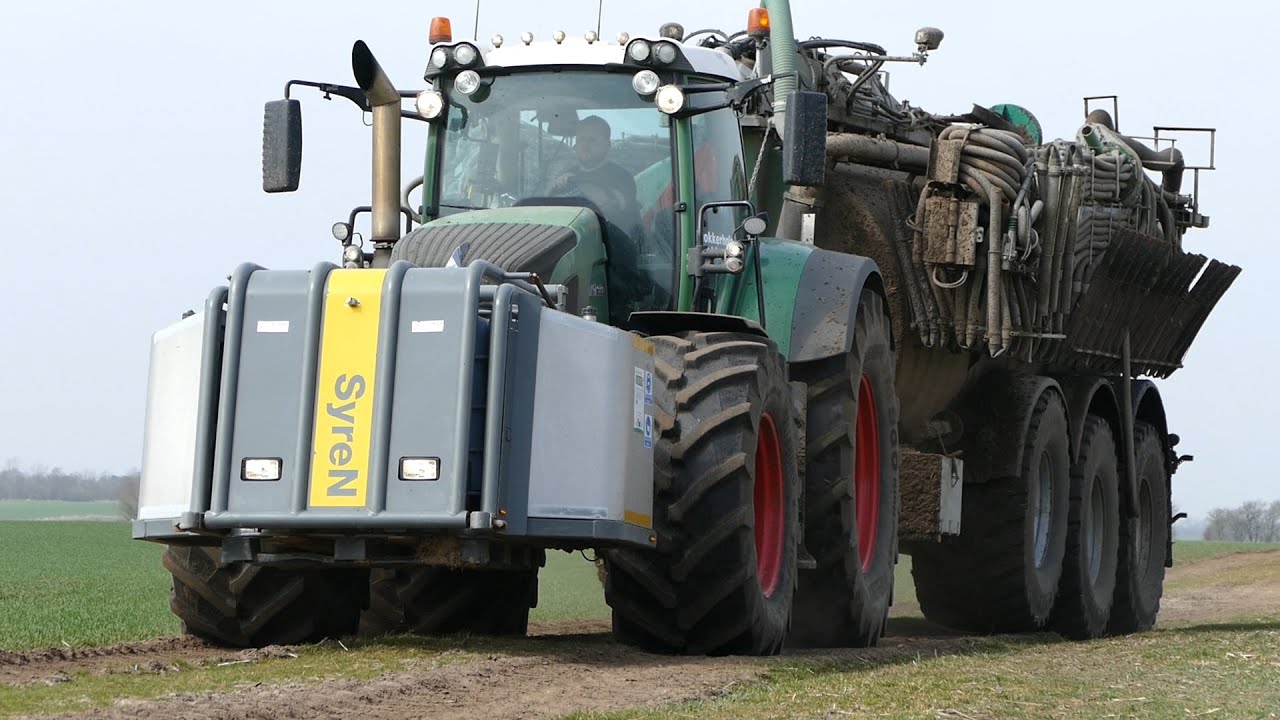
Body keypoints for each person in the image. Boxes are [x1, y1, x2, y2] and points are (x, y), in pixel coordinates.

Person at [548, 115, 640, 230]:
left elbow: (622, 211)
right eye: (581, 140)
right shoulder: (566, 176)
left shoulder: (622, 177)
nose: (585, 145)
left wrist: (580, 185)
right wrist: (558, 184)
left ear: (607, 145)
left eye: (592, 140)